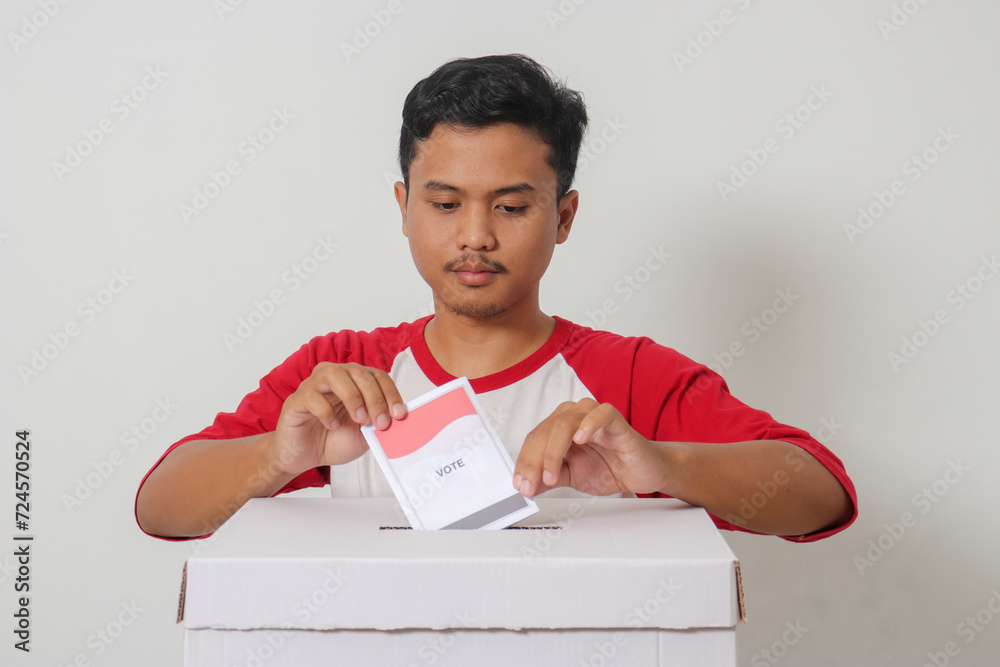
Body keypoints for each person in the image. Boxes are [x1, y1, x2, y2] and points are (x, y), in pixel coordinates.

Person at [135, 54, 856, 542]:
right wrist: (277, 457)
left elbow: (822, 492)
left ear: (564, 216)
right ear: (404, 205)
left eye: (511, 207)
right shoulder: (344, 374)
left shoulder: (627, 377)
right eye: (445, 204)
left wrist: (662, 466)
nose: (474, 236)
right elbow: (162, 507)